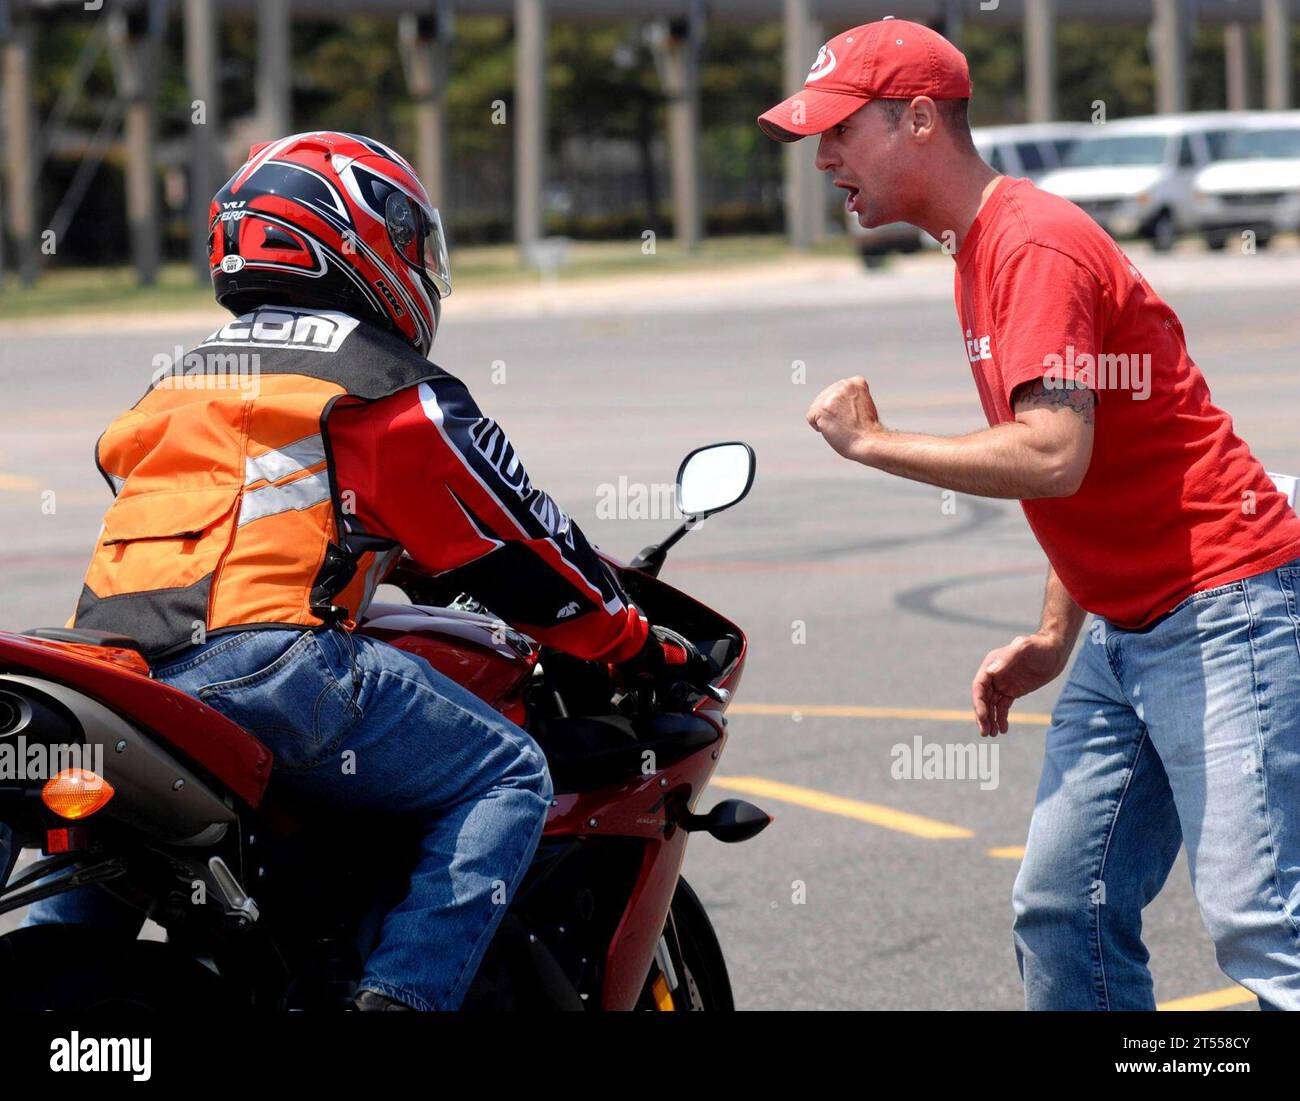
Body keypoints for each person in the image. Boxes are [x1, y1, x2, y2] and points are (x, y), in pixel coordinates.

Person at [24, 131, 653, 1011]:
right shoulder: (382, 381)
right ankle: (400, 998)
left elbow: (245, 515)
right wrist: (626, 636)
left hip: (116, 675)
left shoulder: (179, 379)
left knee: (102, 846)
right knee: (509, 773)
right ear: (361, 236)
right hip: (268, 666)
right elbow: (517, 537)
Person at [759, 19, 1300, 1010]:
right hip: (1127, 630)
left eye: (839, 129)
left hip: (1224, 608)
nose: (823, 155)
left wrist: (870, 442)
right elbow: (1091, 466)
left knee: (1267, 929)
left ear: (917, 119)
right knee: (1063, 909)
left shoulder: (1032, 245)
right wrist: (1056, 636)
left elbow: (1051, 454)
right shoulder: (980, 248)